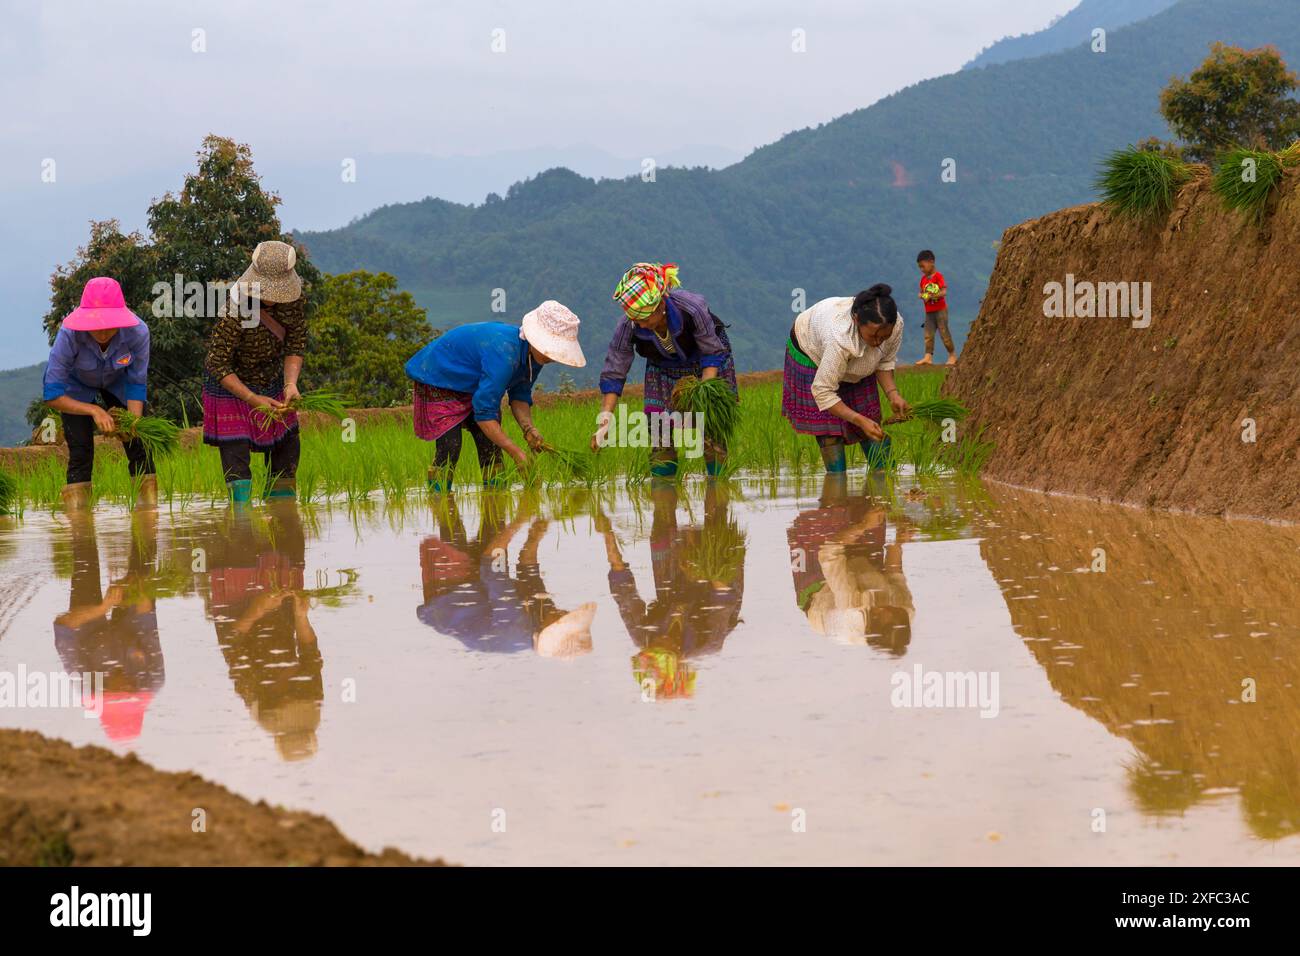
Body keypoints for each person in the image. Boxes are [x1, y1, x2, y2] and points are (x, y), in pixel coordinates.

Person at [405, 301, 586, 492]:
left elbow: (520, 394)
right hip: (440, 376)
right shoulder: (505, 355)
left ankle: (495, 500)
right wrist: (517, 453)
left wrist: (528, 428)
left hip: (474, 384)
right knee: (450, 446)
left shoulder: (535, 358)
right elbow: (485, 413)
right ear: (536, 338)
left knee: (490, 444)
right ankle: (439, 499)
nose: (553, 356)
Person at [595, 481, 745, 699]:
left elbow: (622, 586)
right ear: (679, 659)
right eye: (661, 649)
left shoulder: (642, 636)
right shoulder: (709, 642)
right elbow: (723, 591)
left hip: (675, 588)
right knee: (716, 526)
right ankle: (716, 486)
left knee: (661, 535)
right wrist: (699, 568)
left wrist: (607, 533)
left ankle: (665, 488)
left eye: (651, 649)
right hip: (721, 584)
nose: (656, 643)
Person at [592, 262, 738, 477]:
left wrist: (704, 395)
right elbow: (615, 370)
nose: (641, 325)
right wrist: (604, 421)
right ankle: (663, 497)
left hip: (707, 363)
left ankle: (718, 493)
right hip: (662, 369)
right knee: (660, 434)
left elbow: (711, 352)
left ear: (661, 305)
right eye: (636, 320)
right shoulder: (628, 325)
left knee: (711, 433)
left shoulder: (692, 309)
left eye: (645, 319)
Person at [416, 491, 597, 658]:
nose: (563, 611)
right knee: (496, 529)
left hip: (446, 598)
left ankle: (439, 496)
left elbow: (491, 564)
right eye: (565, 614)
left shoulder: (516, 625)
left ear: (550, 628)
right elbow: (528, 569)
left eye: (561, 617)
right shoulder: (544, 614)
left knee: (478, 542)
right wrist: (536, 535)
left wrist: (520, 519)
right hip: (477, 590)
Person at [202, 240, 307, 503]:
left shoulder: (294, 303)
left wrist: (290, 384)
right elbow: (218, 364)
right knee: (236, 460)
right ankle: (241, 528)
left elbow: (296, 343)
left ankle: (283, 521)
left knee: (287, 448)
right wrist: (252, 399)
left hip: (272, 380)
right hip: (233, 386)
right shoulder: (234, 309)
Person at [42, 277, 155, 512]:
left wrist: (132, 423)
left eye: (109, 323)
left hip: (119, 383)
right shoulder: (69, 335)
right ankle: (80, 524)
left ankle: (148, 517)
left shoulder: (138, 332)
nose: (103, 331)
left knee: (139, 445)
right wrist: (94, 410)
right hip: (76, 388)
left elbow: (136, 383)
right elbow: (52, 393)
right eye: (97, 323)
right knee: (81, 451)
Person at [782, 284, 909, 473]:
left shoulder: (894, 324)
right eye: (873, 336)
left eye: (884, 337)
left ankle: (884, 478)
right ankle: (837, 487)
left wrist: (893, 395)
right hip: (811, 351)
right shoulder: (839, 339)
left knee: (872, 424)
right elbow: (823, 392)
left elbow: (884, 361)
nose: (877, 342)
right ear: (856, 320)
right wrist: (859, 420)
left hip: (847, 355)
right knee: (830, 432)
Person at [786, 474, 914, 653]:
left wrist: (862, 526)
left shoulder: (851, 609)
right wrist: (900, 540)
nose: (887, 606)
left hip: (819, 593)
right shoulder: (905, 610)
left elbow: (828, 553)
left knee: (830, 516)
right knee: (875, 510)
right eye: (892, 610)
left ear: (872, 622)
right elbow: (893, 572)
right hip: (862, 576)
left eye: (882, 612)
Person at [915, 249, 956, 366]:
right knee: (928, 334)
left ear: (931, 262)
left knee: (944, 333)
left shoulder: (938, 276)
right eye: (920, 267)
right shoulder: (923, 280)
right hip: (929, 312)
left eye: (923, 266)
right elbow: (921, 293)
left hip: (940, 310)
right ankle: (928, 357)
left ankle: (952, 355)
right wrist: (922, 296)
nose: (922, 270)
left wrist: (931, 296)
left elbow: (943, 292)